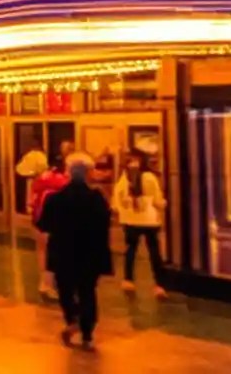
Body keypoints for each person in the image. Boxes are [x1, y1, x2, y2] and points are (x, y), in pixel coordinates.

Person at [36, 153, 113, 350]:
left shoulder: (55, 199)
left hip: (63, 255)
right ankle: (87, 332)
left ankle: (72, 320)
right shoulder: (96, 199)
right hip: (90, 255)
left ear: (69, 174)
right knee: (87, 291)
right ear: (87, 173)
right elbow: (105, 223)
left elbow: (43, 225)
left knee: (66, 291)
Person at [113, 150, 168, 299]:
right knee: (154, 252)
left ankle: (128, 279)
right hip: (149, 220)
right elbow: (157, 200)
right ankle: (159, 285)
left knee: (131, 250)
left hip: (130, 221)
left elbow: (117, 200)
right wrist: (163, 204)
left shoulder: (123, 178)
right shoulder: (149, 177)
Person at [28, 146, 71, 299]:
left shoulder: (37, 182)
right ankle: (50, 285)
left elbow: (30, 203)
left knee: (41, 252)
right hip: (52, 224)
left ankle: (44, 284)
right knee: (53, 254)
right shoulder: (59, 183)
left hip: (38, 222)